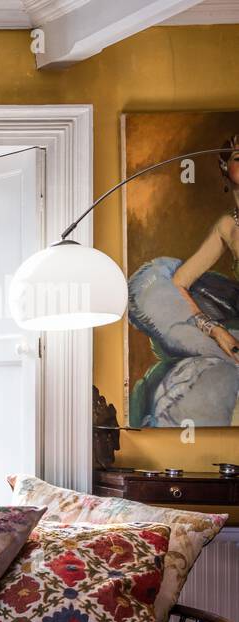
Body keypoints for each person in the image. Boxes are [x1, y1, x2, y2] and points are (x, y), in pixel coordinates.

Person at [127, 135, 239, 427]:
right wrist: (213, 330)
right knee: (151, 281)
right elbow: (179, 282)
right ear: (225, 168)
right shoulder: (228, 226)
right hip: (232, 329)